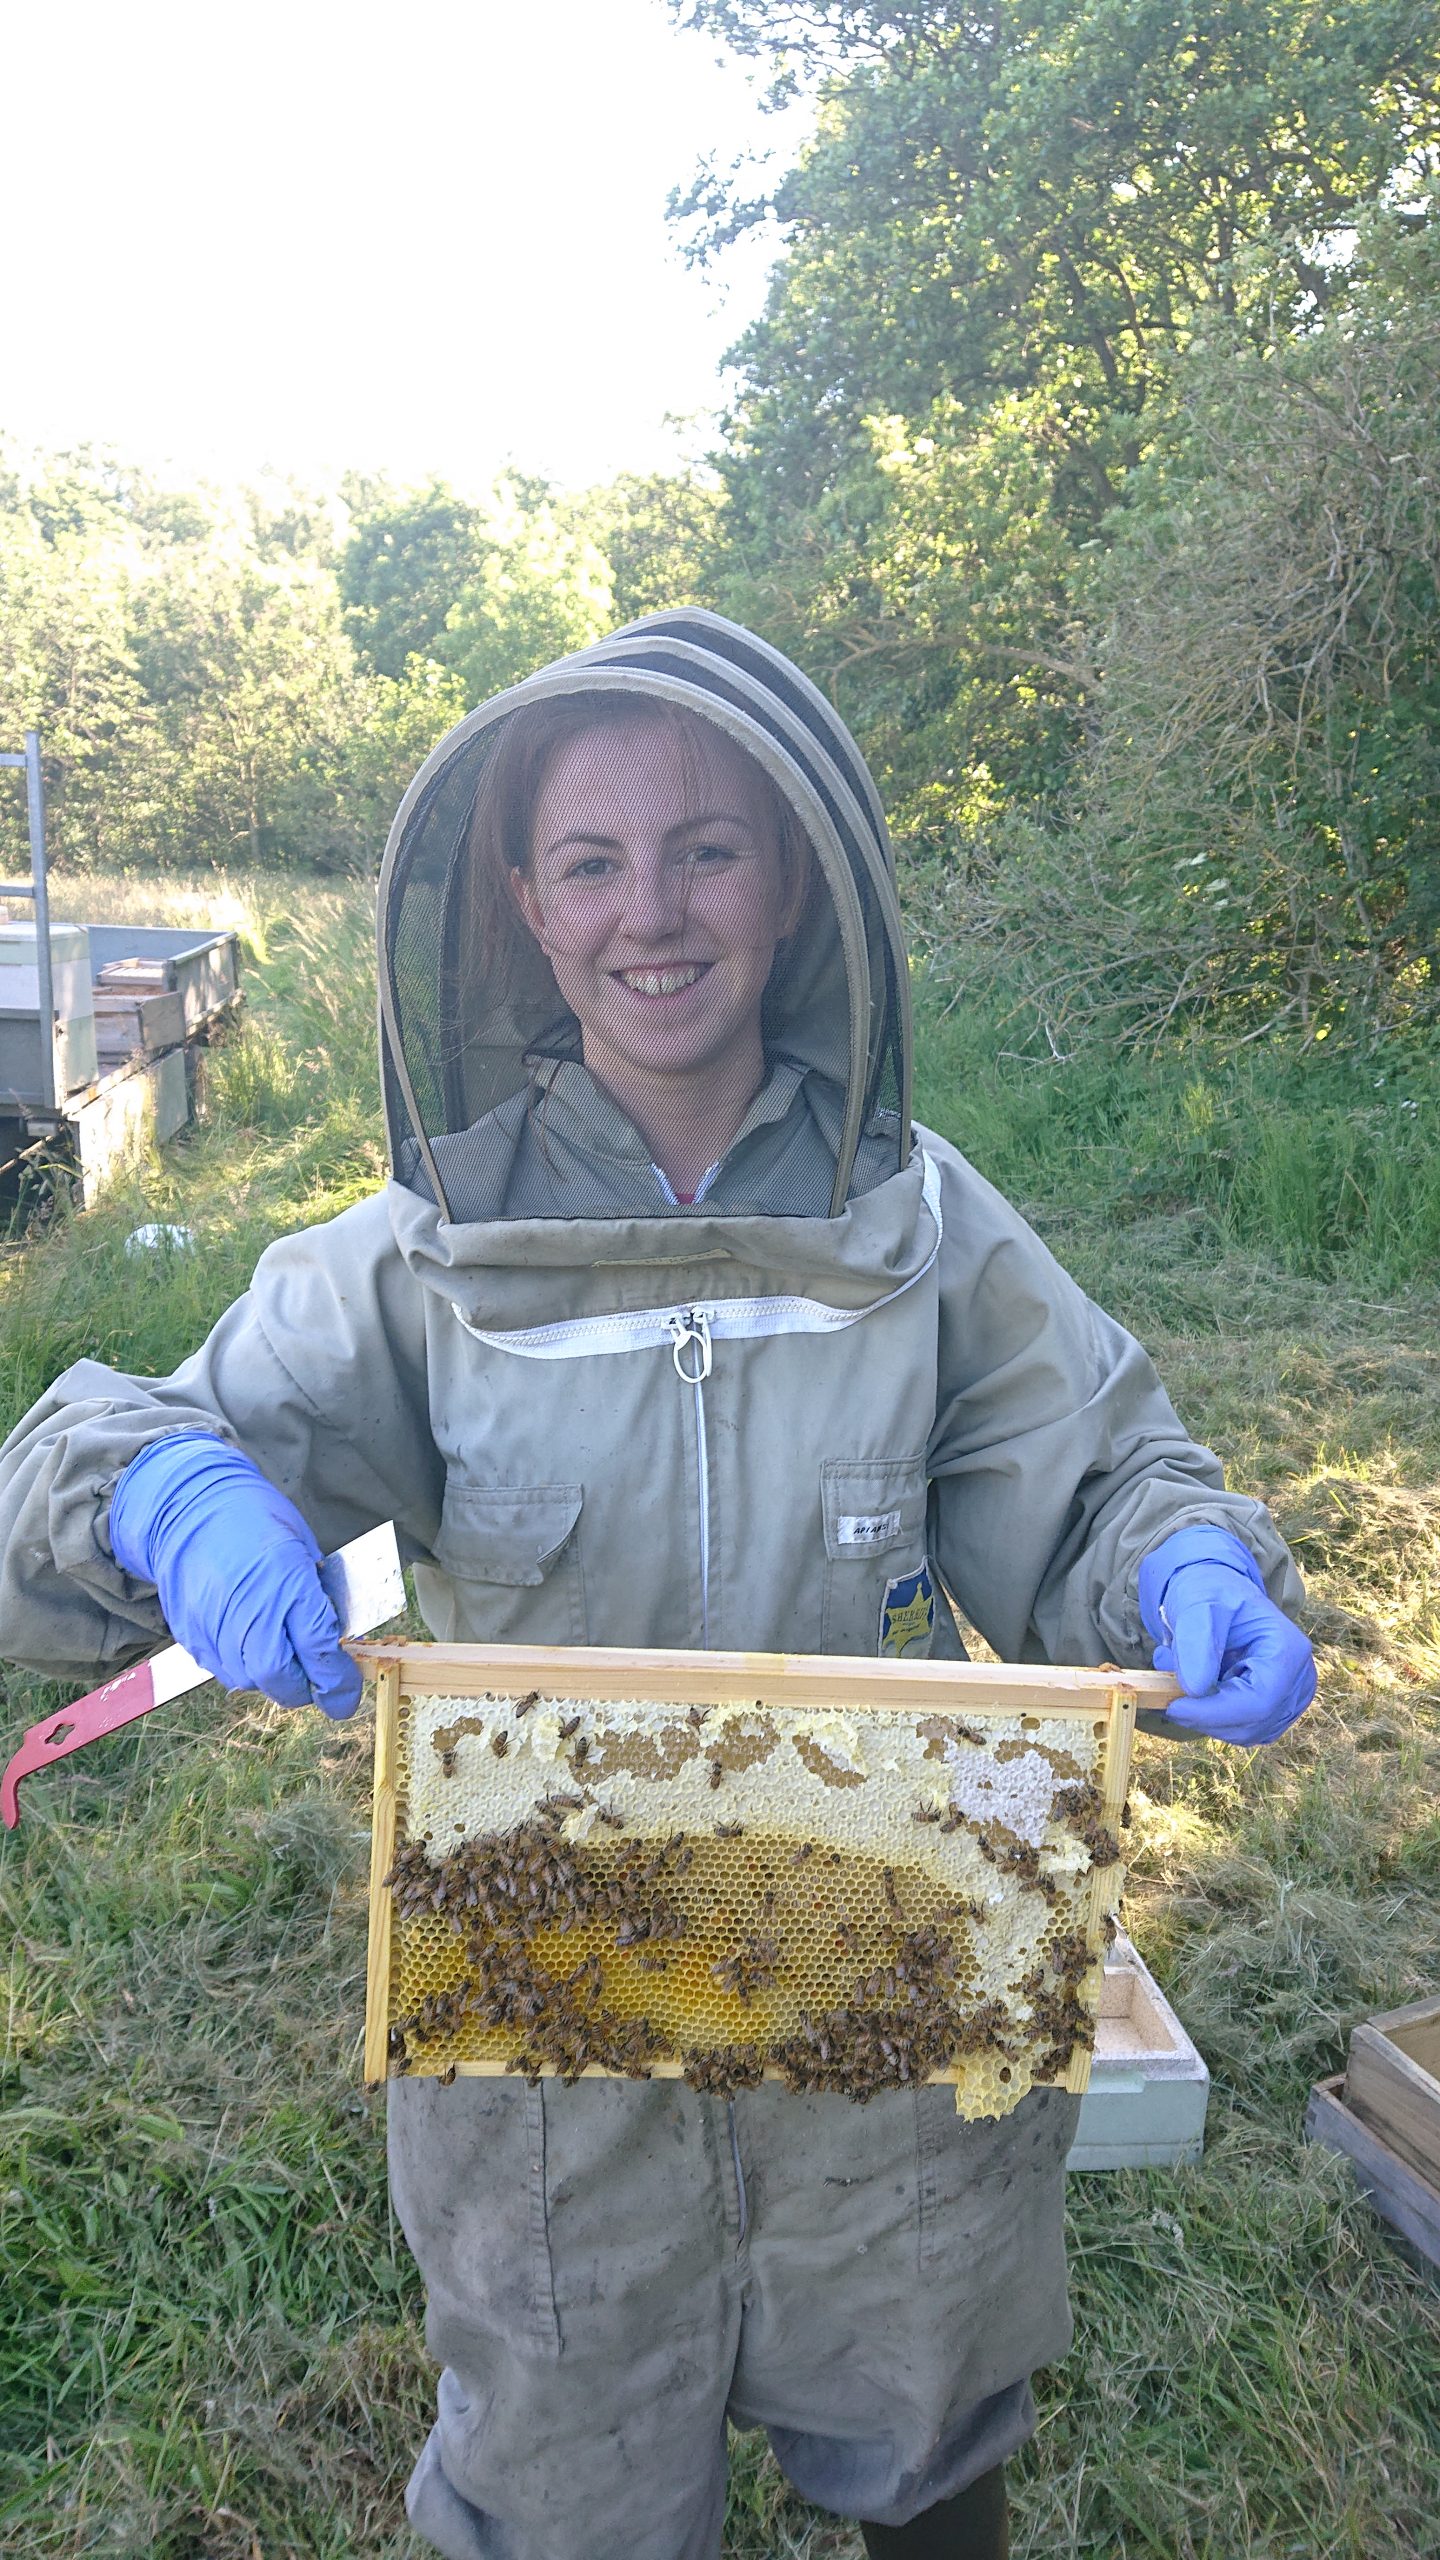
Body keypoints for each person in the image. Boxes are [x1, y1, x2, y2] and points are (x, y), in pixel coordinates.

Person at [0, 611, 1315, 2560]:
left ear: (790, 876)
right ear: (525, 904)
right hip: (550, 1973)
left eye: (706, 845)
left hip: (896, 1924)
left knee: (928, 2424)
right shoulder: (427, 1248)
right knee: (571, 2467)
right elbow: (89, 1447)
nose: (656, 909)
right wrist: (178, 1498)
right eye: (596, 860)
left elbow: (1095, 1465)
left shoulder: (925, 1222)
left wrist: (1180, 1557)